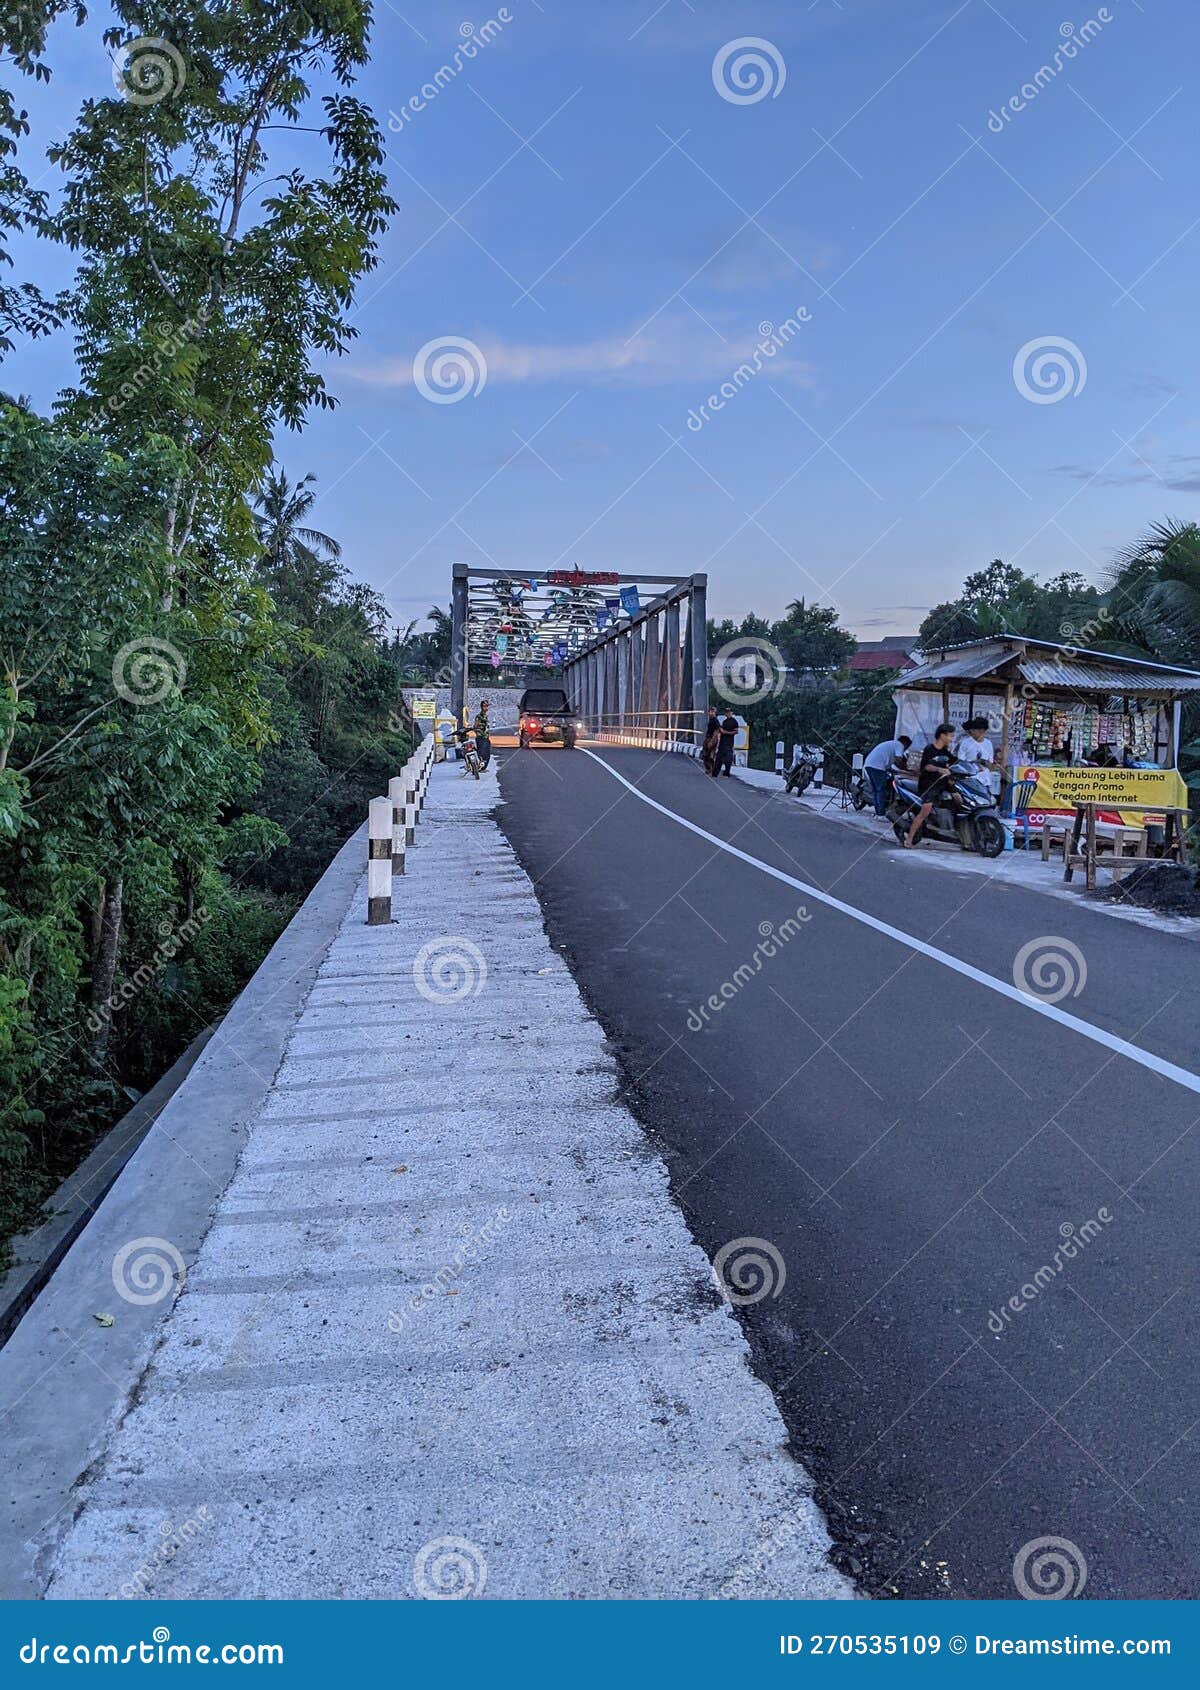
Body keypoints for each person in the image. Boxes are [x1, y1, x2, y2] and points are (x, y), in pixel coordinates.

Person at [905, 724, 955, 847]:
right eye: (950, 736)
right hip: (929, 785)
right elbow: (927, 766)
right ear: (942, 735)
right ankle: (909, 839)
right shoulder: (929, 749)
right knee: (925, 811)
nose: (951, 738)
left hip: (943, 784)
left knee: (959, 799)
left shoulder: (946, 752)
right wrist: (939, 769)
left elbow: (955, 762)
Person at [862, 733, 912, 817]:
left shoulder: (891, 744)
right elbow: (898, 760)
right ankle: (881, 814)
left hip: (869, 765)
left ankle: (878, 812)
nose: (905, 749)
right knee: (880, 790)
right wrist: (906, 769)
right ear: (905, 743)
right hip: (877, 767)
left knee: (876, 791)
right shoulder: (899, 745)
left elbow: (890, 759)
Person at [714, 709, 738, 777]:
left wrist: (726, 732)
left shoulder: (734, 721)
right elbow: (721, 731)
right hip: (722, 742)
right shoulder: (724, 721)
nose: (728, 713)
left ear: (731, 713)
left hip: (729, 743)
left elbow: (736, 731)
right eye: (727, 712)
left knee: (728, 759)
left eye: (729, 712)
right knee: (719, 758)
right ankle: (715, 773)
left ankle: (727, 773)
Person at [472, 700, 492, 769]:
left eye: (487, 706)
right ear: (481, 707)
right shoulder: (479, 716)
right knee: (482, 755)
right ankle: (480, 768)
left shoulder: (485, 716)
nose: (486, 708)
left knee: (487, 755)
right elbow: (475, 727)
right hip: (481, 738)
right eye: (485, 706)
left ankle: (483, 768)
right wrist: (479, 733)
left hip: (486, 737)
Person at [701, 706, 721, 774]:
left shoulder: (715, 720)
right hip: (709, 738)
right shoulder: (711, 719)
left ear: (715, 712)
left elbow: (717, 731)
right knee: (706, 754)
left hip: (711, 739)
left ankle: (711, 769)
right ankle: (710, 769)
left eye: (713, 712)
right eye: (710, 711)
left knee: (709, 755)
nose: (711, 713)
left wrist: (711, 741)